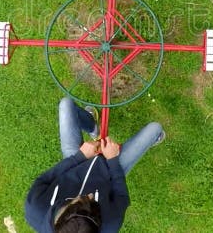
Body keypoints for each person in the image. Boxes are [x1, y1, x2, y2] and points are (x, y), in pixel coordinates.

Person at [24, 97, 165, 232]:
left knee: (66, 105)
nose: (91, 194)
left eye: (83, 198)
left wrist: (80, 156)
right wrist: (112, 161)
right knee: (155, 128)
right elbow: (122, 197)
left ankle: (92, 127)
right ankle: (155, 137)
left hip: (76, 162)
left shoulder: (35, 208)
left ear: (61, 214)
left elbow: (44, 180)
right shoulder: (110, 225)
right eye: (94, 201)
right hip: (109, 171)